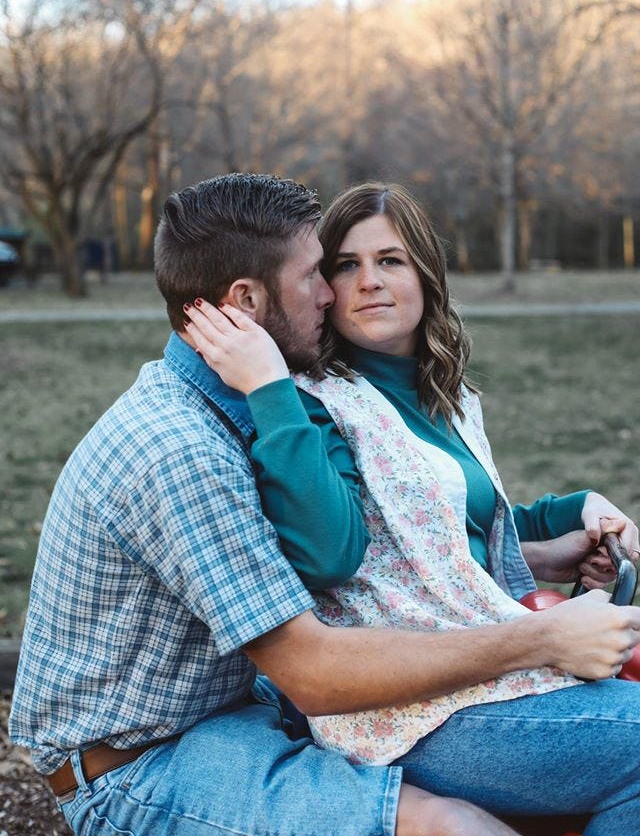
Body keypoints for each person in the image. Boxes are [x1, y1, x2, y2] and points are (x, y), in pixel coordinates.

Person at [10, 172, 528, 836]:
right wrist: (533, 640)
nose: (330, 293)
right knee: (451, 825)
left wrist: (535, 543)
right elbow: (312, 670)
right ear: (246, 301)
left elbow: (345, 548)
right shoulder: (180, 448)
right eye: (316, 274)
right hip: (139, 771)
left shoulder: (234, 402)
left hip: (234, 717)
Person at [184, 180, 640, 835]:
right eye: (347, 265)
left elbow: (453, 526)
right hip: (411, 709)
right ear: (324, 287)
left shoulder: (445, 401)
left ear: (426, 276)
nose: (369, 280)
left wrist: (576, 514)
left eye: (390, 260)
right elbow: (327, 553)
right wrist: (271, 391)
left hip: (488, 679)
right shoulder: (316, 403)